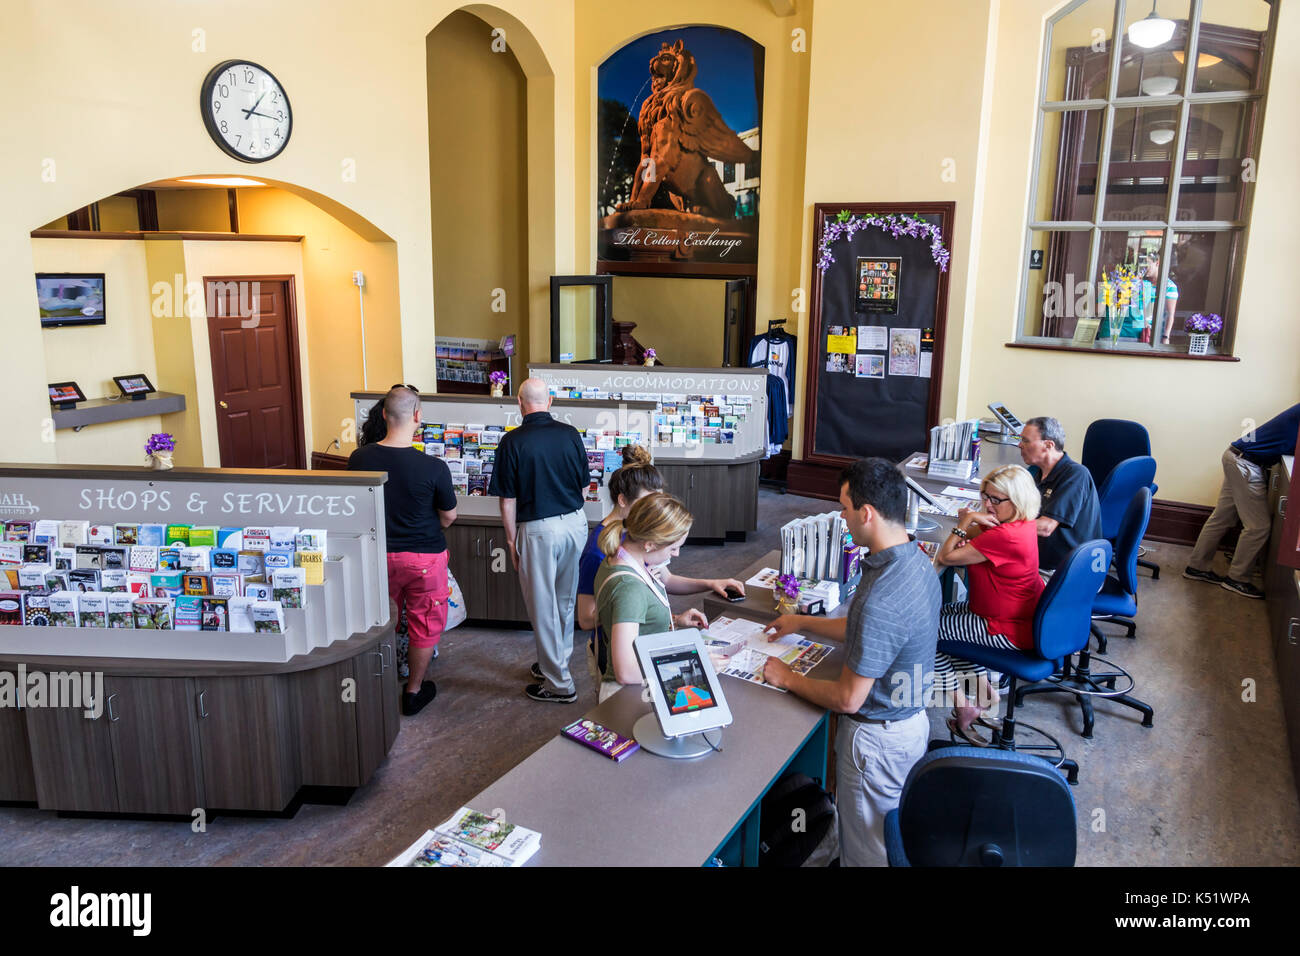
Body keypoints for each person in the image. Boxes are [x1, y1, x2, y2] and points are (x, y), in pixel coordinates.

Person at [761, 458, 940, 867]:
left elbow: (847, 698)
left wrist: (786, 677)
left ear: (867, 513)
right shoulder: (914, 561)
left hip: (876, 743)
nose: (841, 518)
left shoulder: (882, 598)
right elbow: (866, 631)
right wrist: (801, 621)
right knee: (876, 835)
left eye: (843, 508)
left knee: (869, 853)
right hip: (908, 725)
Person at [574, 446, 744, 663]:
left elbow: (665, 579)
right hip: (617, 651)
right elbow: (588, 619)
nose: (656, 511)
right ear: (623, 500)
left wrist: (711, 583)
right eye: (648, 504)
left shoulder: (636, 539)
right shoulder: (599, 552)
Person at [348, 384, 457, 716]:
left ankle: (377, 684)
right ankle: (413, 691)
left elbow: (355, 506)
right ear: (418, 417)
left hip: (377, 555)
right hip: (424, 556)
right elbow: (449, 517)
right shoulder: (434, 467)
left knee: (381, 620)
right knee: (424, 622)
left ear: (383, 414)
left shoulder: (360, 458)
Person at [488, 378, 590, 703]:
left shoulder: (512, 442)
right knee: (564, 600)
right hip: (575, 523)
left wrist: (510, 541)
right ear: (550, 402)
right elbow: (585, 489)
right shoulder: (571, 434)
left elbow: (507, 501)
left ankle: (559, 684)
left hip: (539, 529)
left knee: (542, 606)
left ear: (519, 403)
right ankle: (555, 663)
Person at [932, 465, 1045, 745]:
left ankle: (964, 705)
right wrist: (970, 526)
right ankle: (984, 693)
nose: (988, 505)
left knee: (924, 631)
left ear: (1016, 501)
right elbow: (975, 538)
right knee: (941, 618)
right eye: (985, 497)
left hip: (1004, 628)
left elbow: (946, 556)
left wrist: (967, 518)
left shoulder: (1004, 536)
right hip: (1011, 617)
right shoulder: (1020, 525)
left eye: (996, 500)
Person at [591, 492, 709, 702]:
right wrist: (701, 665)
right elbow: (626, 671)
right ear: (650, 545)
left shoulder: (619, 558)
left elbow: (629, 619)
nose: (676, 554)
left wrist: (674, 620)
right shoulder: (630, 588)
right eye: (673, 548)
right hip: (632, 695)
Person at [1186, 402, 1300, 598]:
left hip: (1235, 456)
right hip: (1247, 464)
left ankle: (1196, 567)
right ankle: (1237, 579)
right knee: (1258, 527)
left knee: (1221, 518)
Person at [1018, 416, 1102, 573]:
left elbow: (1045, 527)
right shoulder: (1038, 473)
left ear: (1048, 445)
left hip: (1068, 572)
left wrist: (1001, 528)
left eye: (1026, 441)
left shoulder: (1076, 475)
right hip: (1042, 562)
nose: (1019, 445)